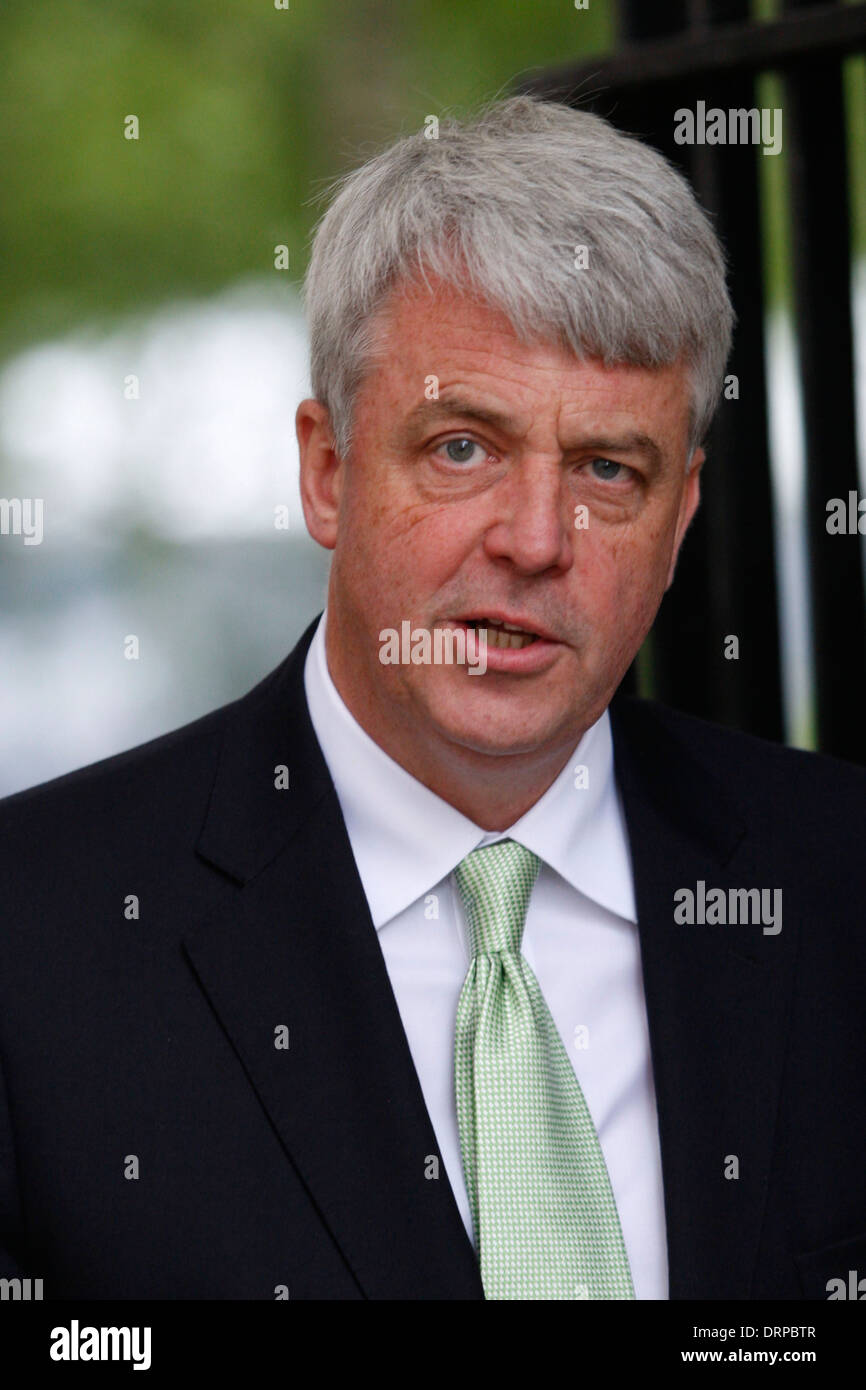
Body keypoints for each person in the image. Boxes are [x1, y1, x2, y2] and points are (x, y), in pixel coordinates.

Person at [1, 94, 864, 1302]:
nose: (531, 540)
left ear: (678, 524)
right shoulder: (34, 940)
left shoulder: (837, 879)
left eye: (606, 469)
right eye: (461, 445)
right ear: (326, 471)